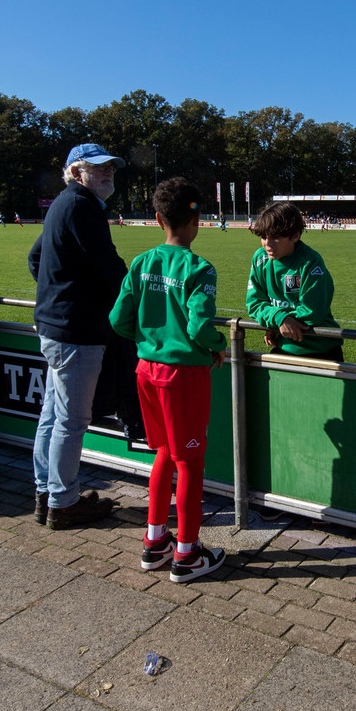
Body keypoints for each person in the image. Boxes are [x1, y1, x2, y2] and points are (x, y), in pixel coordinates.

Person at [110, 177, 229, 583]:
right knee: (190, 462)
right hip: (184, 376)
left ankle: (154, 541)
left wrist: (150, 340)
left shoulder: (142, 262)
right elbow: (200, 326)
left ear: (158, 218)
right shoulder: (200, 268)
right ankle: (187, 554)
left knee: (161, 451)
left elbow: (118, 320)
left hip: (146, 370)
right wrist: (218, 344)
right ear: (198, 221)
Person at [28, 144, 127, 529]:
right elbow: (110, 267)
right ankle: (63, 503)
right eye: (98, 169)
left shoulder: (63, 204)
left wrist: (57, 294)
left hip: (57, 326)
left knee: (53, 416)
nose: (108, 175)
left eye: (112, 170)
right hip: (76, 330)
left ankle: (47, 493)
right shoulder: (81, 206)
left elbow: (36, 258)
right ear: (75, 172)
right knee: (70, 421)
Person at [245, 202, 344, 362]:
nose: (267, 244)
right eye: (263, 237)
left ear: (295, 235)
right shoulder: (260, 259)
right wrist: (279, 319)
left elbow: (313, 313)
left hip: (322, 350)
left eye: (275, 237)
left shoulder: (311, 262)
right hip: (284, 347)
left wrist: (276, 323)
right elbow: (254, 303)